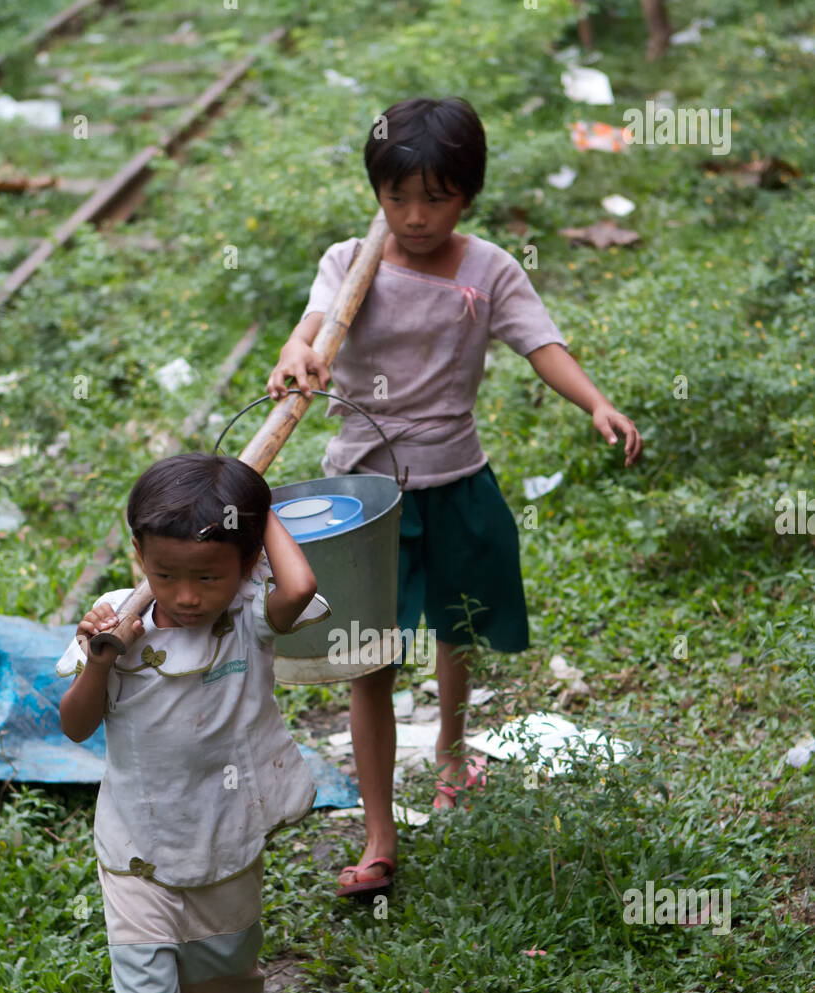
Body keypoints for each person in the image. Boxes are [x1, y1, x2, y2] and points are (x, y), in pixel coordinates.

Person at [267, 96, 642, 897]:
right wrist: (296, 355)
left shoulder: (488, 270)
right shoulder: (348, 262)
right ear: (376, 191)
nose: (413, 216)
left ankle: (450, 754)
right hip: (364, 505)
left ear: (466, 193)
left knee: (456, 629)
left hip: (458, 483)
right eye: (396, 197)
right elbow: (307, 331)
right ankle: (379, 834)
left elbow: (540, 343)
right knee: (369, 660)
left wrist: (596, 402)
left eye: (434, 198)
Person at [56, 452, 330, 993]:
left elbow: (301, 591)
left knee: (230, 970)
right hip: (136, 857)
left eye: (206, 576)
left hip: (227, 842)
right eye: (165, 572)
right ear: (138, 556)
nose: (182, 596)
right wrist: (103, 658)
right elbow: (75, 727)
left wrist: (261, 504)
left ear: (243, 566)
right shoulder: (116, 619)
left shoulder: (249, 612)